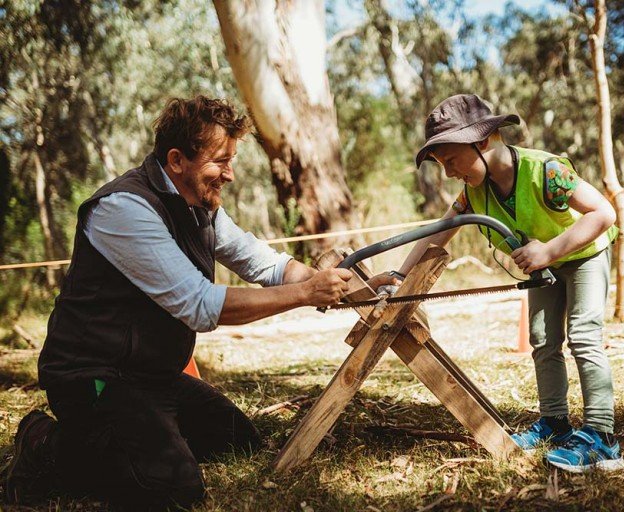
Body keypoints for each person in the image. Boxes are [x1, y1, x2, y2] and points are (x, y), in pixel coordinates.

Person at [0, 96, 367, 509]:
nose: (229, 174)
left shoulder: (199, 207)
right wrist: (305, 294)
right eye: (220, 161)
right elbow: (199, 304)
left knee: (237, 441)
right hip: (95, 378)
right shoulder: (122, 208)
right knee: (173, 487)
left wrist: (330, 283)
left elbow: (263, 262)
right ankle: (43, 443)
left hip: (150, 376)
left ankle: (137, 435)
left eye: (231, 159)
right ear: (176, 160)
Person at [379, 93, 623, 473]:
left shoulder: (546, 171)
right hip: (545, 268)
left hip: (584, 255)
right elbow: (436, 235)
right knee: (543, 340)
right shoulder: (473, 194)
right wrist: (399, 276)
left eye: (450, 161)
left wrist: (550, 250)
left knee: (584, 334)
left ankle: (602, 439)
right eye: (442, 164)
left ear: (481, 141)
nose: (447, 172)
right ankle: (556, 424)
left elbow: (603, 212)